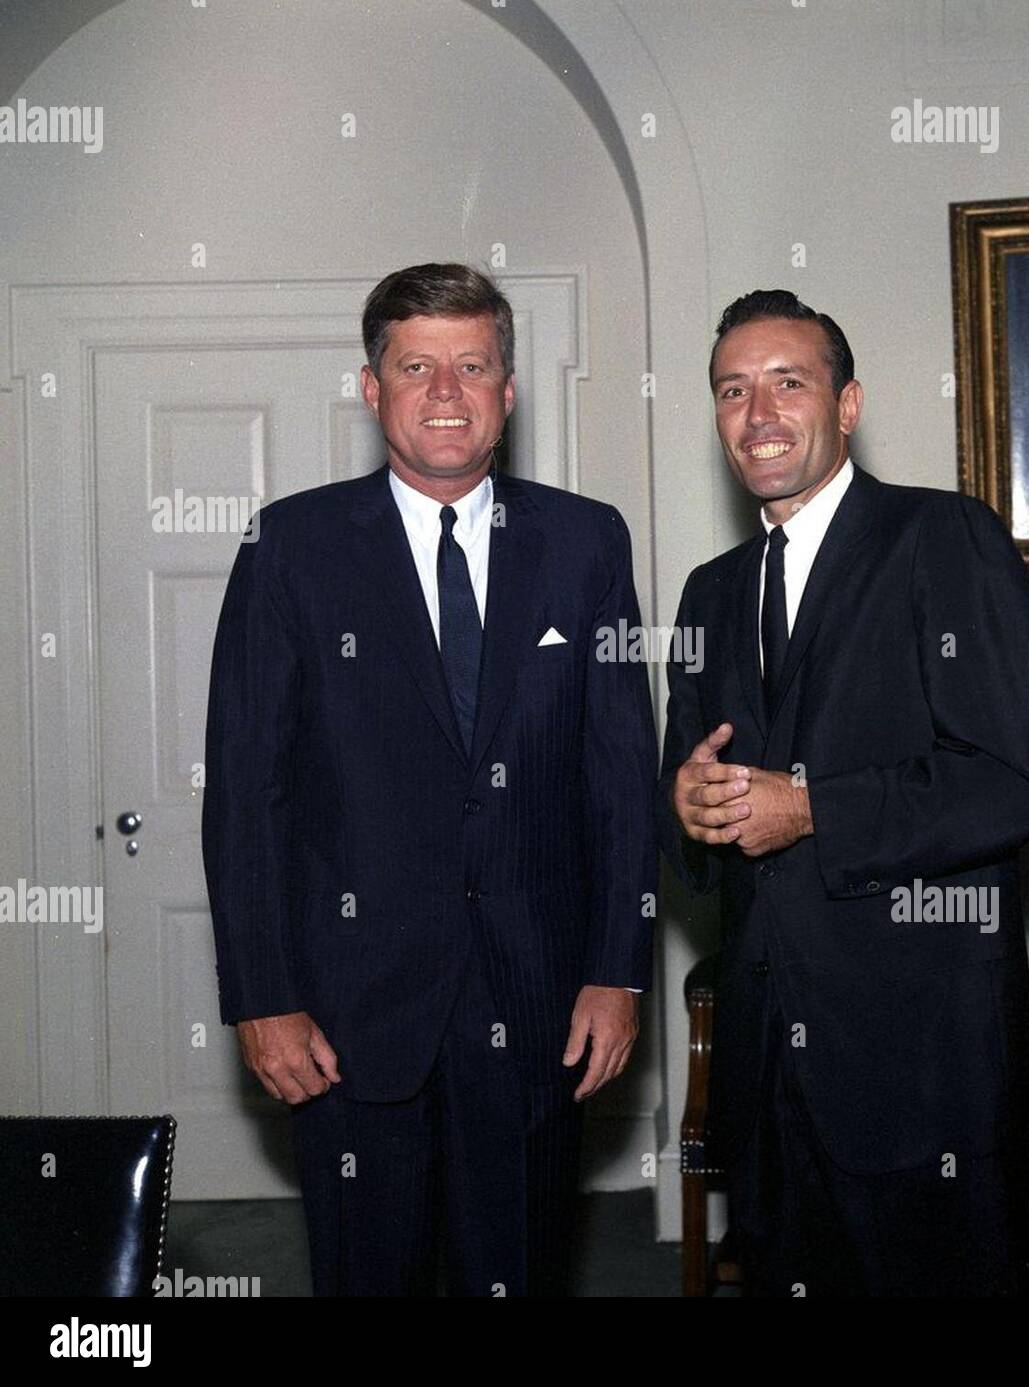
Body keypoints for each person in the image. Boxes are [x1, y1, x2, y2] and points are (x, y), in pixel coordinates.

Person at [202, 262, 658, 1297]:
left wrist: (617, 970)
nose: (446, 392)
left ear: (507, 389)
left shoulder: (585, 543)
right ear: (372, 389)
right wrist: (260, 995)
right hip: (346, 1014)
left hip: (538, 999)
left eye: (472, 366)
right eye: (417, 366)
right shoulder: (291, 548)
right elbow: (245, 790)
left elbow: (622, 778)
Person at [658, 289, 1029, 1296]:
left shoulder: (945, 538)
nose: (757, 414)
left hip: (922, 1063)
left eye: (787, 383)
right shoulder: (710, 591)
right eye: (731, 391)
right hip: (767, 1069)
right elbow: (687, 821)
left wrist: (811, 807)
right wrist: (686, 810)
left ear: (847, 406)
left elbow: (1013, 779)